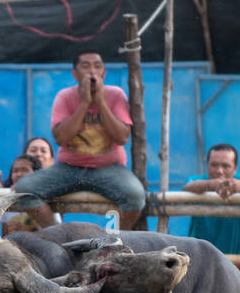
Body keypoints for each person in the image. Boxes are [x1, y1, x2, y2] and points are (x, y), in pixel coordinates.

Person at [11, 51, 145, 231]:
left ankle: (115, 242)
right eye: (85, 66)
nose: (92, 72)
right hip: (69, 168)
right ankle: (57, 235)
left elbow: (122, 138)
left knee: (135, 196)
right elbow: (60, 139)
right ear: (75, 74)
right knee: (25, 189)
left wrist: (101, 102)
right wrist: (84, 103)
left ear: (104, 73)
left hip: (110, 168)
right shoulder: (65, 96)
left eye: (98, 66)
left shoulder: (115, 94)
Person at [183, 143, 240, 255]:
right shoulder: (197, 180)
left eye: (226, 166)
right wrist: (211, 185)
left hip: (232, 259)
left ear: (235, 168)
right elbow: (187, 187)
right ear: (207, 165)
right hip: (198, 256)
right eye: (214, 165)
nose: (219, 171)